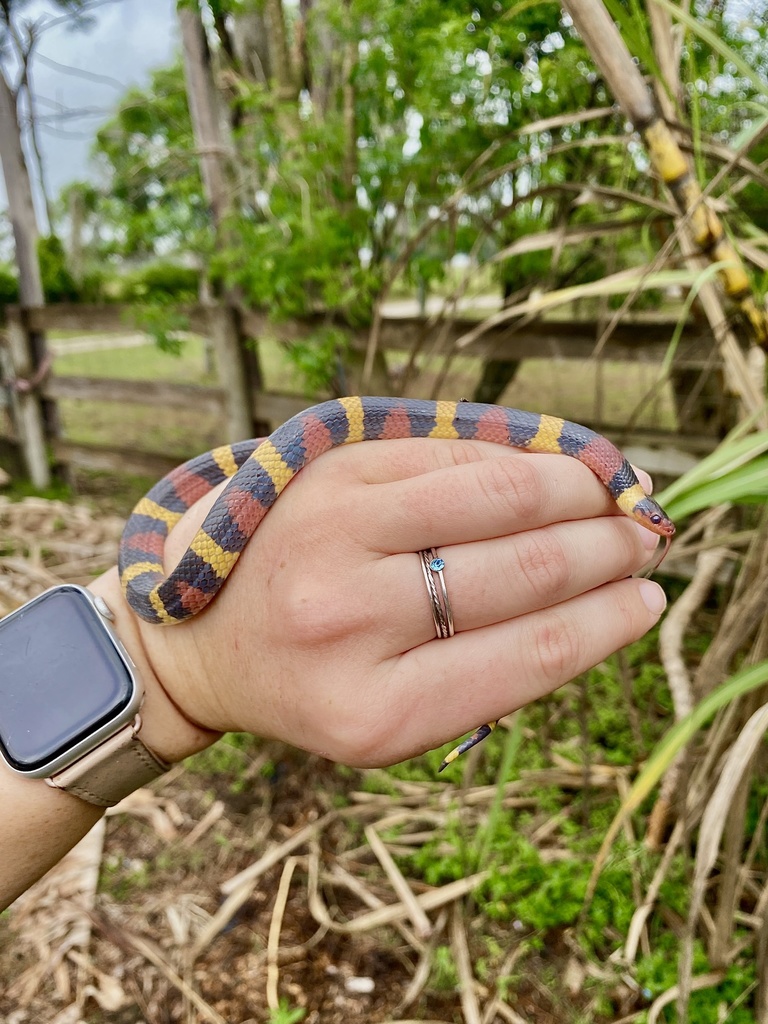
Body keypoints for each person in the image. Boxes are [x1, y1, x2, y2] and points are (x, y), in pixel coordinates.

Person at [0, 436, 666, 909]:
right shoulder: (166, 592)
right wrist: (166, 663)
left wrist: (157, 662)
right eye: (650, 511)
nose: (655, 524)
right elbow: (162, 598)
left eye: (653, 518)